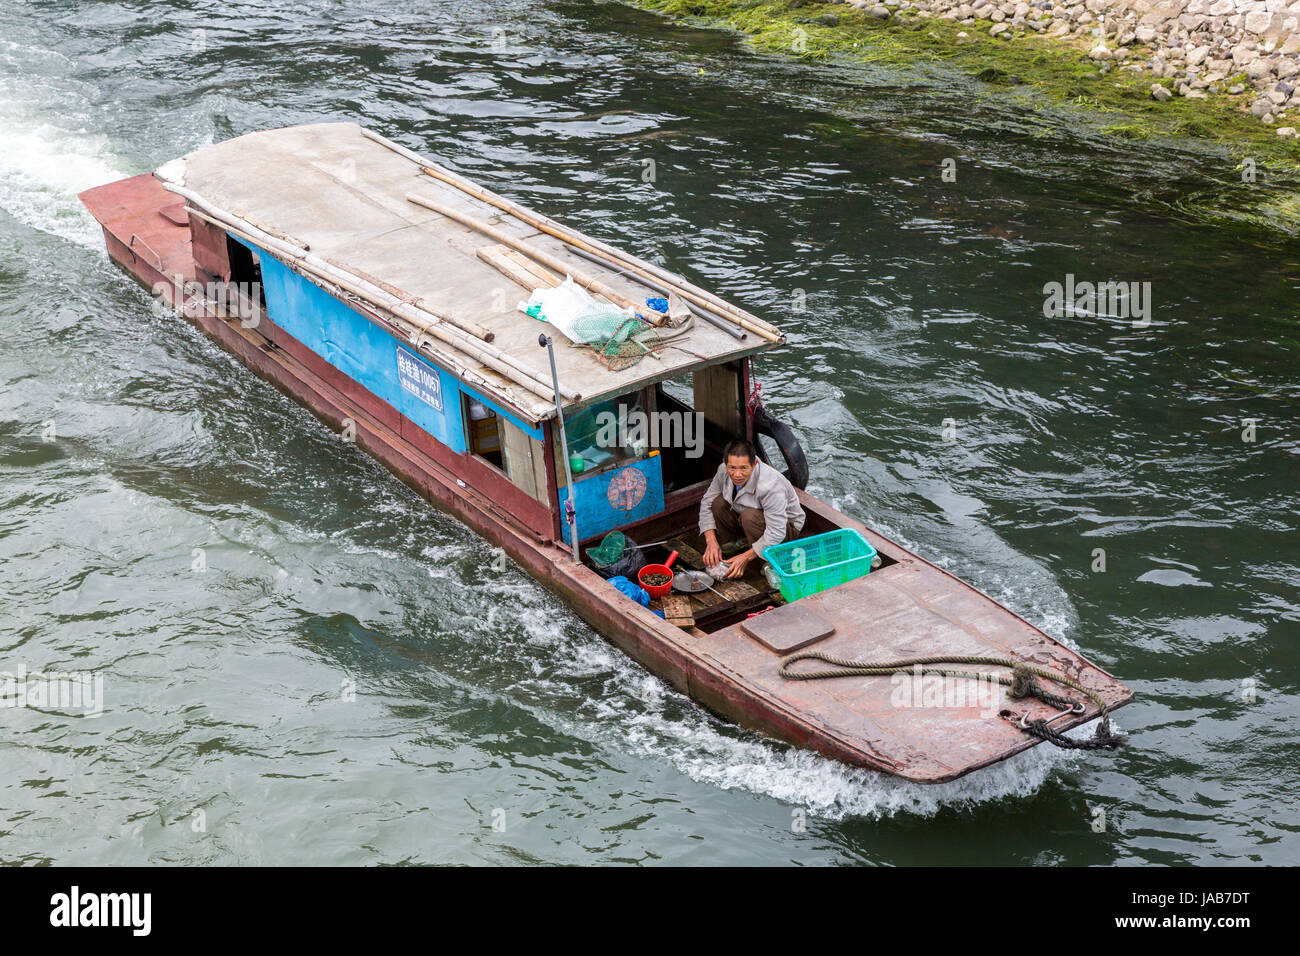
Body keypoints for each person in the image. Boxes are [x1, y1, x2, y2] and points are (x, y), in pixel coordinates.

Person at [699, 439, 804, 580]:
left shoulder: (770, 485)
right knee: (717, 503)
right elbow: (706, 502)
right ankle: (739, 542)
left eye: (743, 468)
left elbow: (777, 532)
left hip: (786, 527)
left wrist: (745, 558)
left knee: (750, 517)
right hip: (747, 514)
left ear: (754, 464)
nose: (737, 474)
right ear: (725, 463)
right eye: (732, 468)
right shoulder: (723, 470)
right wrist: (711, 541)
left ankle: (769, 560)